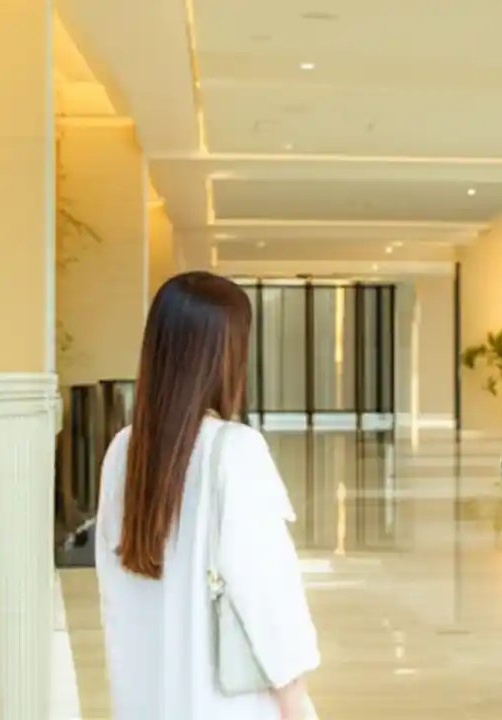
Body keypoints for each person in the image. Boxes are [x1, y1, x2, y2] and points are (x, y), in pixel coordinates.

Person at [95, 271, 320, 719]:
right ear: (222, 355)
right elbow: (266, 591)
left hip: (146, 696)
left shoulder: (123, 451)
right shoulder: (234, 450)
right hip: (224, 702)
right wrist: (295, 697)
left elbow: (114, 590)